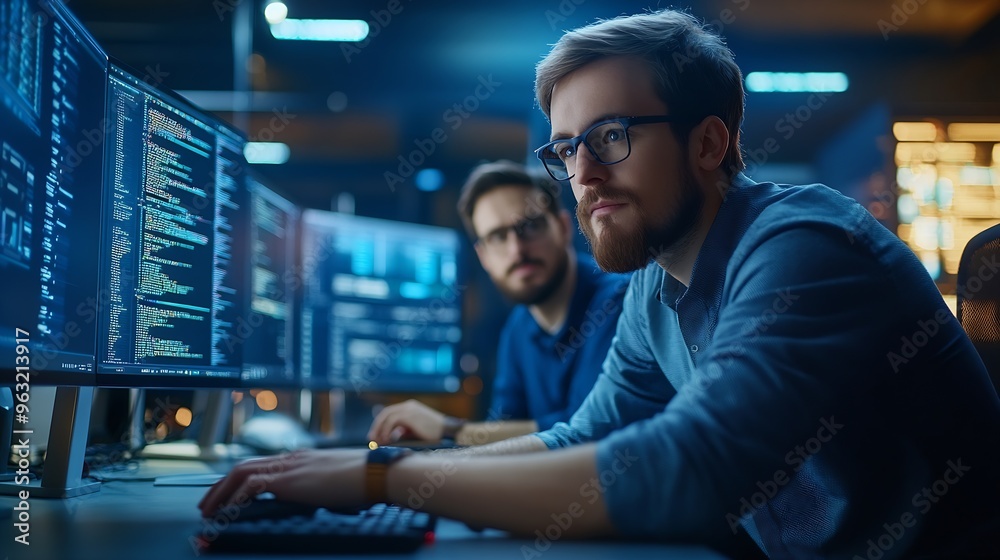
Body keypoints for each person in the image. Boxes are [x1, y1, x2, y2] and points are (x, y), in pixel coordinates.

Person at [200, 10, 1000, 558]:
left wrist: (387, 477)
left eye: (611, 138)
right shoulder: (657, 286)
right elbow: (584, 438)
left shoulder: (805, 244)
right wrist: (370, 471)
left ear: (710, 144)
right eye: (565, 149)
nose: (580, 175)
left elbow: (695, 465)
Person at [367, 161, 630, 446]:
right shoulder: (518, 328)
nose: (517, 249)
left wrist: (450, 429)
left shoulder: (618, 302)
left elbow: (590, 428)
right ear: (484, 257)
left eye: (530, 225)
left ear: (564, 227)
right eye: (497, 236)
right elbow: (501, 433)